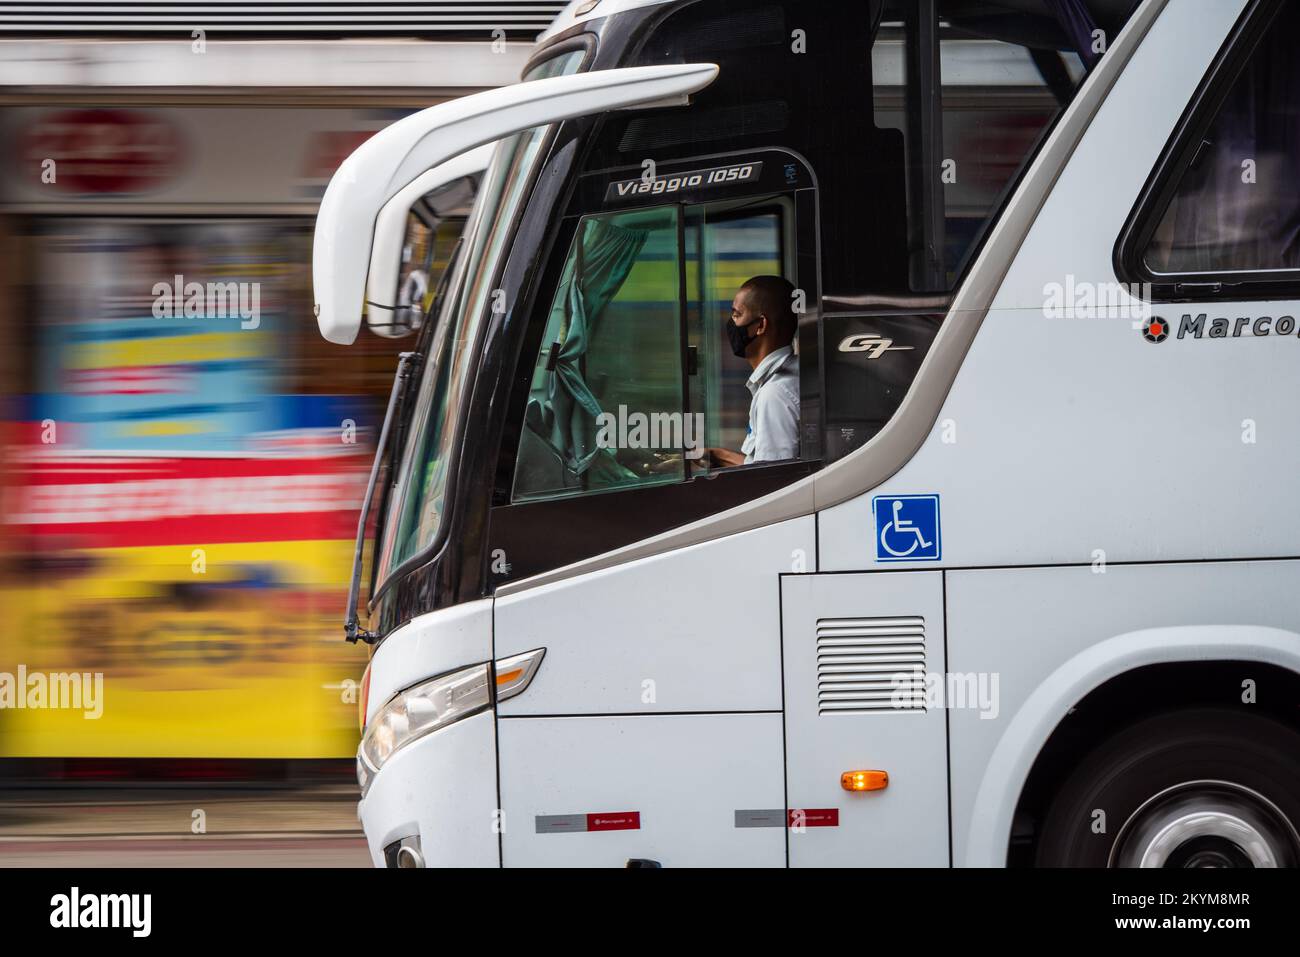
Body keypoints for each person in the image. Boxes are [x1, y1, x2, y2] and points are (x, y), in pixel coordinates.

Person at [703, 275, 800, 467]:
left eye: (737, 315)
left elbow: (773, 480)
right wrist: (718, 456)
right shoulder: (792, 375)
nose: (731, 323)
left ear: (760, 325)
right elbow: (764, 465)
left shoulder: (775, 395)